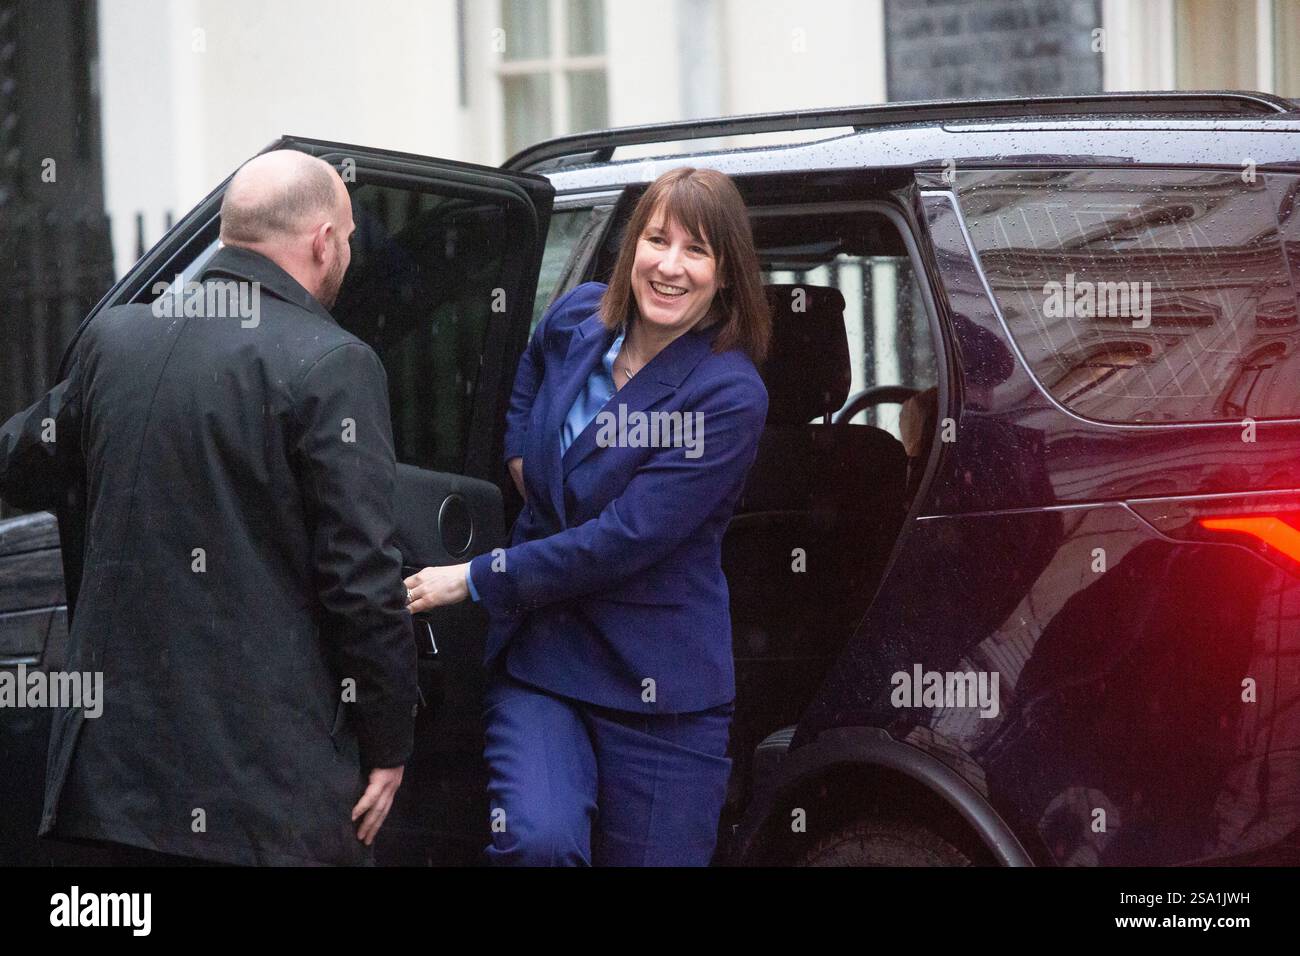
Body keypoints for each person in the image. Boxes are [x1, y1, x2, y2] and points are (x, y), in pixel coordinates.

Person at [0, 150, 417, 865]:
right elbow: (361, 580)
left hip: (112, 787)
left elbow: (19, 459)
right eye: (346, 237)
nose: (347, 251)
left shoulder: (115, 341)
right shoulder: (333, 363)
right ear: (322, 241)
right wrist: (388, 743)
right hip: (263, 800)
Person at [405, 167, 771, 865]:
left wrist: (475, 577)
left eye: (696, 251)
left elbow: (622, 540)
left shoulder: (728, 395)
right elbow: (525, 389)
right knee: (538, 845)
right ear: (631, 246)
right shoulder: (576, 317)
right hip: (544, 664)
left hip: (660, 694)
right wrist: (523, 462)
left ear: (726, 275)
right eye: (657, 240)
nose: (669, 265)